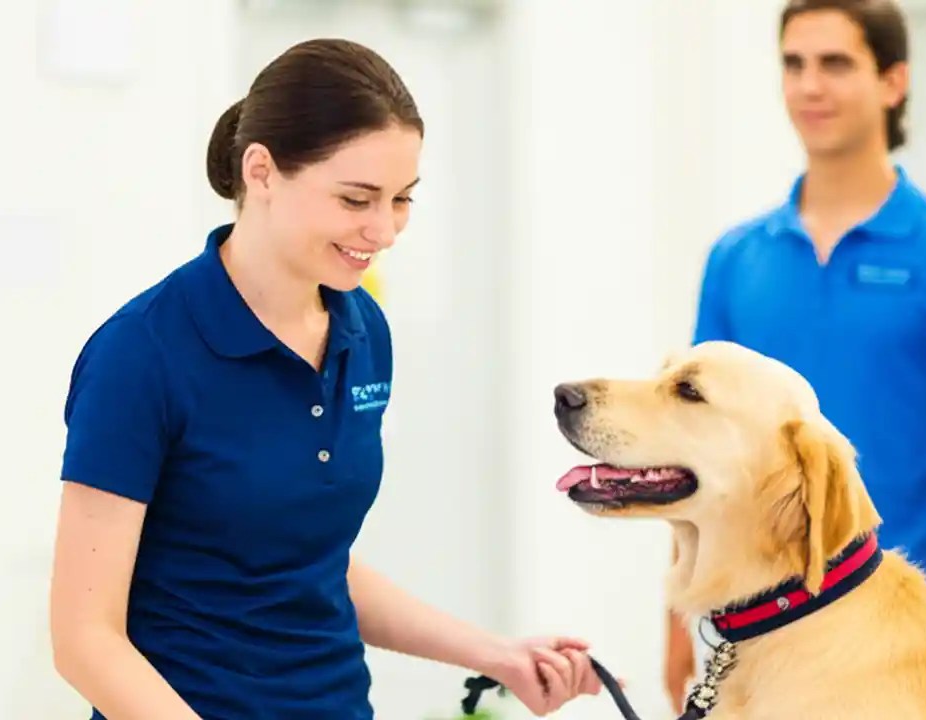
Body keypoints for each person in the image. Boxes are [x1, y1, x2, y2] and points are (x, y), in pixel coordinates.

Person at [47, 38, 603, 719]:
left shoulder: (363, 331)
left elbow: (311, 564)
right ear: (262, 172)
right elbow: (84, 638)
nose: (384, 229)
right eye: (355, 198)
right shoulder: (141, 354)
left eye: (401, 199)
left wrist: (496, 654)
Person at [664, 0, 926, 710]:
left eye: (835, 64)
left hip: (889, 626)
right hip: (754, 626)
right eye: (794, 64)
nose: (809, 87)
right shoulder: (737, 259)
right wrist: (677, 619)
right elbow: (690, 447)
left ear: (893, 82)